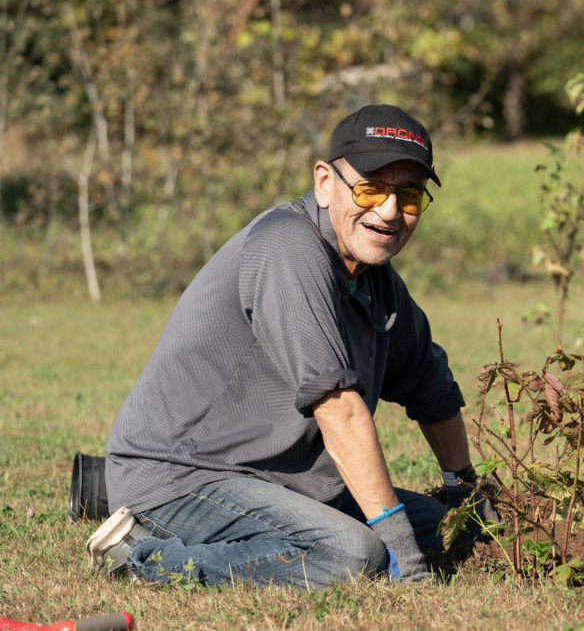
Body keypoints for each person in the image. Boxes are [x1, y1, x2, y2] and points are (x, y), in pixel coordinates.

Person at [87, 105, 490, 588]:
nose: (388, 211)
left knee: (442, 526)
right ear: (324, 182)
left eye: (408, 195)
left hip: (280, 479)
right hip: (187, 476)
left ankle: (98, 491)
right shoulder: (287, 247)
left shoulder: (374, 277)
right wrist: (402, 552)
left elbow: (429, 384)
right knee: (350, 555)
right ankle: (142, 555)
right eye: (370, 188)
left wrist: (464, 490)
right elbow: (338, 409)